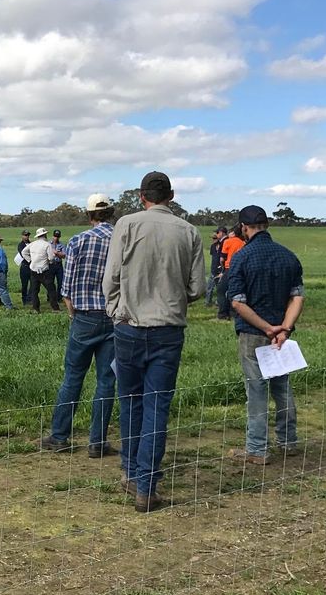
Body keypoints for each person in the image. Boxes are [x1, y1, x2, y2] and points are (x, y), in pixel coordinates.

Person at [104, 171, 205, 512]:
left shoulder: (127, 225)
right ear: (171, 195)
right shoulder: (189, 231)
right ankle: (147, 486)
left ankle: (131, 474)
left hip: (129, 326)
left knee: (130, 402)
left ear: (140, 195)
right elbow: (197, 289)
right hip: (168, 329)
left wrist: (117, 309)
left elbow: (111, 277)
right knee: (156, 408)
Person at [223, 205, 305, 465]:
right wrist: (284, 328)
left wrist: (266, 327)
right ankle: (288, 440)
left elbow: (237, 301)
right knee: (282, 386)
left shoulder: (242, 257)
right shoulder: (288, 255)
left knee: (256, 389)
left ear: (244, 228)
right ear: (266, 225)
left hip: (253, 332)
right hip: (282, 334)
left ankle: (257, 448)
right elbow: (297, 296)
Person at [40, 193, 117, 457]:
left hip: (84, 316)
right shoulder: (122, 239)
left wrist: (73, 314)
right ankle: (97, 442)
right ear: (112, 212)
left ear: (89, 215)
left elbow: (67, 287)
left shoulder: (79, 240)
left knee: (73, 377)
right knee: (107, 381)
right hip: (114, 316)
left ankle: (60, 436)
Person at [22, 228, 61, 312]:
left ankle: (36, 308)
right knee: (51, 290)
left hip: (33, 269)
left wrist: (30, 260)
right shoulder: (47, 245)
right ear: (45, 235)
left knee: (34, 290)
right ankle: (55, 308)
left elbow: (24, 252)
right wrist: (50, 260)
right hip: (44, 271)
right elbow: (51, 257)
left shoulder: (32, 244)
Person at [216, 226, 244, 320]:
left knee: (221, 290)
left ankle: (223, 314)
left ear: (233, 233)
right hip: (240, 269)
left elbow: (222, 258)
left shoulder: (228, 241)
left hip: (229, 268)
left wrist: (223, 268)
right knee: (234, 291)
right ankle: (234, 313)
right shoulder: (243, 243)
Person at [205, 228, 226, 306]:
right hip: (213, 270)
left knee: (220, 288)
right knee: (209, 287)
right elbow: (213, 257)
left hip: (221, 270)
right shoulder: (212, 247)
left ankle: (219, 302)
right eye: (212, 238)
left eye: (214, 238)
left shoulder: (222, 246)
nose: (213, 240)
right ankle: (207, 302)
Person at [17, 230, 32, 304]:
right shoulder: (21, 245)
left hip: (32, 267)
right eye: (25, 235)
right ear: (22, 236)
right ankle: (24, 299)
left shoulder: (31, 244)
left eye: (28, 235)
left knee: (33, 283)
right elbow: (23, 254)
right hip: (25, 266)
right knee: (24, 284)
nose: (27, 236)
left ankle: (30, 298)